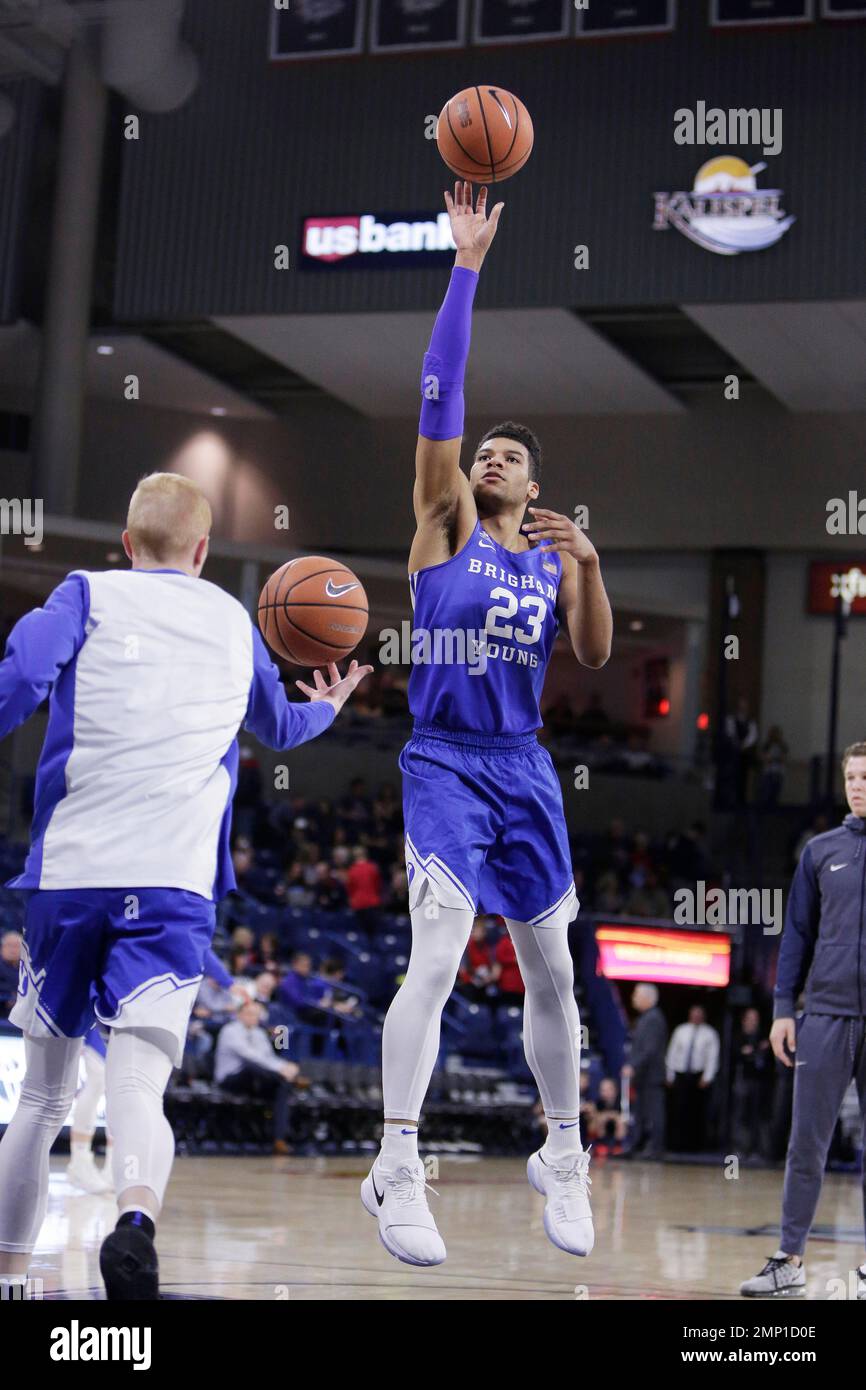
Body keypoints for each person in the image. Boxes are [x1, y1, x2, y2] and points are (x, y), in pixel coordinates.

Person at [0, 471, 371, 1300]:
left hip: (71, 878)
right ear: (203, 552)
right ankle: (134, 1220)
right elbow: (280, 726)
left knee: (44, 1097)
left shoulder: (84, 593)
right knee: (136, 1081)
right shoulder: (236, 621)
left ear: (127, 544)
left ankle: (12, 1282)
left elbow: (22, 679)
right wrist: (333, 707)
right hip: (172, 888)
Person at [362, 183, 613, 1267]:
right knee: (433, 957)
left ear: (538, 483)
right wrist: (465, 266)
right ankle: (396, 1160)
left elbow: (596, 656)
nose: (490, 458)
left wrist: (592, 565)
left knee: (553, 970)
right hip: (446, 763)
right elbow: (438, 395)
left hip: (524, 767)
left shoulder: (549, 558)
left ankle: (561, 1149)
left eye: (510, 456)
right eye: (484, 451)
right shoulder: (443, 524)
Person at [740, 742, 866, 1300]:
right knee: (806, 1144)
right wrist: (783, 1009)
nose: (858, 785)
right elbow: (796, 936)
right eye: (852, 776)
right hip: (824, 1016)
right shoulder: (820, 851)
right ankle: (789, 1260)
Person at [214, 999, 301, 1153]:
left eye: (256, 1015)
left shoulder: (259, 1033)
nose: (252, 1018)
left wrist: (286, 1066)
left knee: (282, 1087)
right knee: (252, 1067)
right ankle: (291, 1081)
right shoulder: (230, 1030)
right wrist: (281, 1071)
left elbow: (268, 1058)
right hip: (231, 1079)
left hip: (257, 1080)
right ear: (239, 1014)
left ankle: (279, 1140)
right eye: (249, 1014)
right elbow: (251, 1056)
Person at [622, 982, 668, 1159]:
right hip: (643, 1076)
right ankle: (636, 1145)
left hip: (652, 1076)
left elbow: (650, 1049)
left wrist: (633, 1065)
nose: (633, 998)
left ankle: (656, 1148)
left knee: (654, 1113)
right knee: (640, 1112)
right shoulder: (645, 1018)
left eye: (636, 994)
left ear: (648, 998)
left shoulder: (654, 1019)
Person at [65, 1025, 112, 1195]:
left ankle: (113, 1167)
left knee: (118, 1086)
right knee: (98, 1080)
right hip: (101, 1010)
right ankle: (79, 1162)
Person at [666, 1005, 719, 1153]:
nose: (696, 1017)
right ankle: (677, 1145)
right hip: (681, 1075)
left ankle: (695, 1146)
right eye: (693, 1014)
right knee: (679, 1111)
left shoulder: (709, 1033)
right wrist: (669, 1074)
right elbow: (672, 1053)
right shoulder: (681, 1030)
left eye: (699, 1014)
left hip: (698, 1076)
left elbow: (712, 1057)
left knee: (697, 1113)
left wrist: (707, 1076)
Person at [732, 1006, 772, 1160]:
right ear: (744, 1021)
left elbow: (763, 1055)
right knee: (741, 1115)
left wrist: (753, 1051)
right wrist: (754, 1051)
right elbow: (740, 1055)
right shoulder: (737, 1037)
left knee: (760, 1116)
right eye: (750, 1019)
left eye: (756, 1019)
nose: (753, 1022)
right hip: (743, 1080)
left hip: (761, 1083)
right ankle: (740, 1148)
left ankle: (759, 1150)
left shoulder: (762, 1036)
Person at [0, 930, 21, 1018]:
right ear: (1, 948)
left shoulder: (27, 968)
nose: (12, 950)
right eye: (9, 945)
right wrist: (12, 992)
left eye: (16, 946)